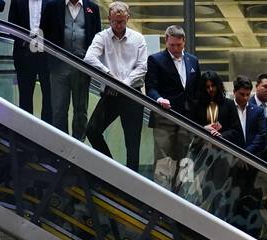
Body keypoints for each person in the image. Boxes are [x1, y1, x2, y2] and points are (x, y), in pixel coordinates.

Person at [83, 2, 148, 173]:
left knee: (132, 143)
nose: (118, 25)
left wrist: (123, 85)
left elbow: (142, 68)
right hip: (110, 93)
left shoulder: (138, 38)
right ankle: (112, 171)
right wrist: (109, 76)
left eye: (122, 21)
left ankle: (132, 185)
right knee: (92, 130)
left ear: (128, 18)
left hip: (132, 94)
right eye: (114, 22)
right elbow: (89, 58)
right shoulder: (102, 36)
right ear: (109, 19)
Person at [144, 24, 200, 187]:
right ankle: (161, 193)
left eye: (178, 45)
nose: (175, 48)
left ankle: (180, 194)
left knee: (184, 158)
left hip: (186, 118)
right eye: (172, 45)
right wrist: (159, 99)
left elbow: (196, 90)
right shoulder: (155, 59)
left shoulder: (193, 61)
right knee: (163, 158)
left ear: (184, 41)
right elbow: (151, 87)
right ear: (166, 41)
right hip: (164, 117)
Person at [42, 0, 101, 139]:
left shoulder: (92, 8)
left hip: (82, 67)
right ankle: (60, 147)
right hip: (58, 67)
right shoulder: (52, 6)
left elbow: (97, 35)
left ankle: (78, 147)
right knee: (58, 109)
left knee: (81, 111)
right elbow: (43, 31)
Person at [9, 0, 52, 119]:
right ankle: (26, 134)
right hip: (24, 53)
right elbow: (11, 24)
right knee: (25, 97)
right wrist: (24, 42)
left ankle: (47, 133)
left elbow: (57, 26)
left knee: (49, 98)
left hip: (47, 53)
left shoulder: (52, 1)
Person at [190, 69, 237, 140]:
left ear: (218, 86)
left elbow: (236, 130)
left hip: (224, 145)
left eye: (213, 85)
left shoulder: (229, 104)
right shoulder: (197, 105)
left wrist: (221, 135)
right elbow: (191, 127)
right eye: (207, 87)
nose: (211, 89)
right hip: (203, 144)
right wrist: (204, 128)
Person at [223, 76, 267, 153]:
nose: (245, 98)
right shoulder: (226, 108)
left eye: (248, 94)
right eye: (242, 94)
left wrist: (247, 152)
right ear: (234, 92)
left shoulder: (258, 111)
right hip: (230, 154)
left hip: (252, 156)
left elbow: (261, 135)